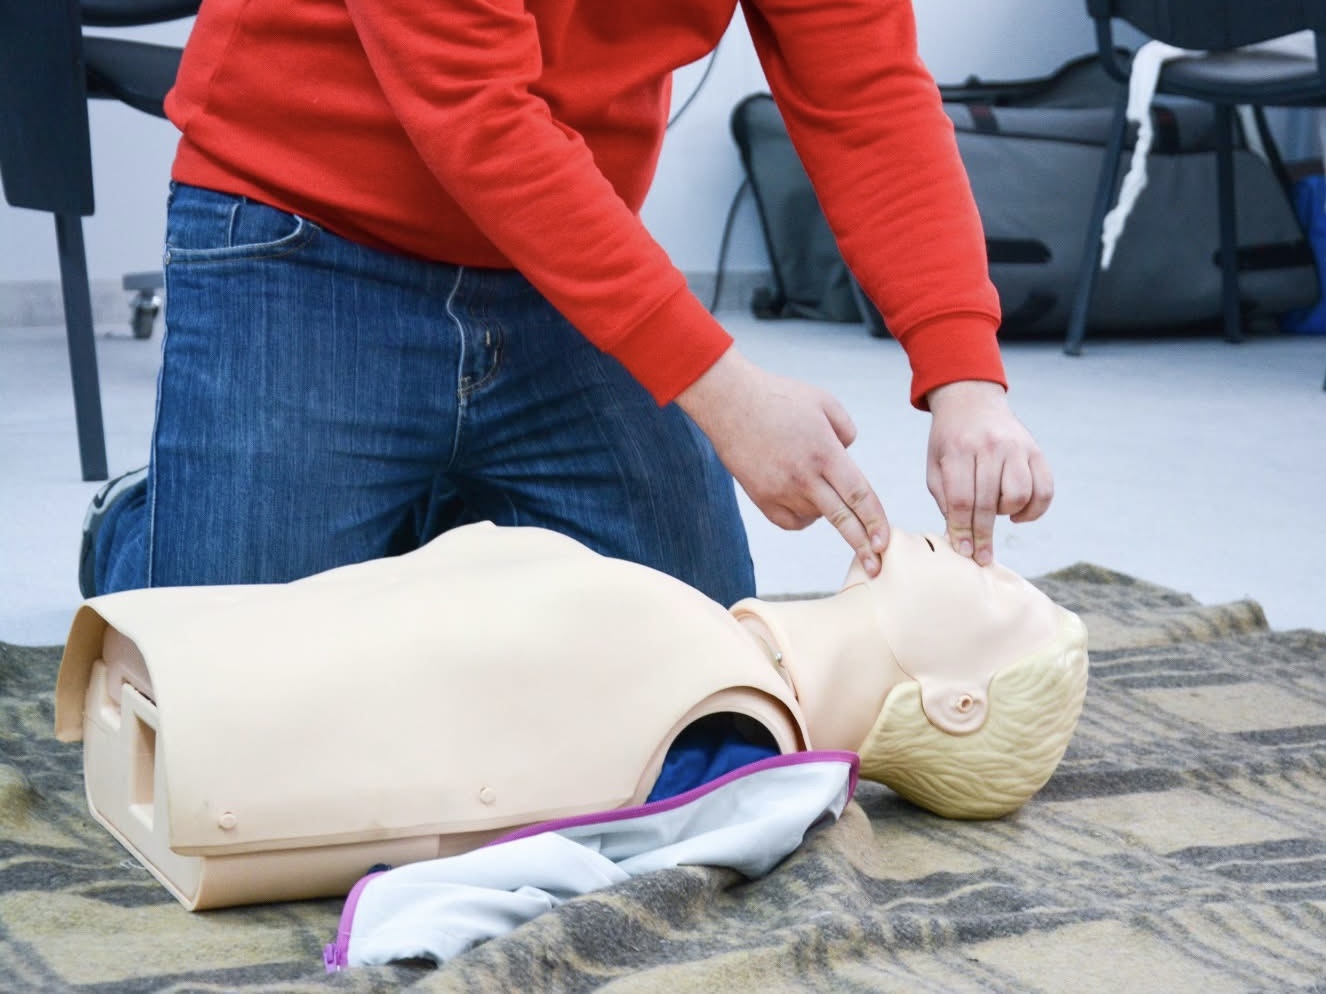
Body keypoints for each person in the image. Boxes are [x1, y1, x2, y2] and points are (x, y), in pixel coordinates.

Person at [79, 0, 1053, 608]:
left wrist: (966, 379)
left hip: (554, 265)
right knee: (242, 710)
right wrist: (723, 390)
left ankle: (417, 509)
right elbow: (476, 109)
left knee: (693, 675)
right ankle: (143, 531)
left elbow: (866, 96)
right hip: (304, 232)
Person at [57, 522, 1088, 911]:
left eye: (1005, 595)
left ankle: (138, 520)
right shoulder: (714, 659)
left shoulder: (732, 737)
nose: (989, 557)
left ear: (958, 703)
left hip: (211, 716)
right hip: (191, 660)